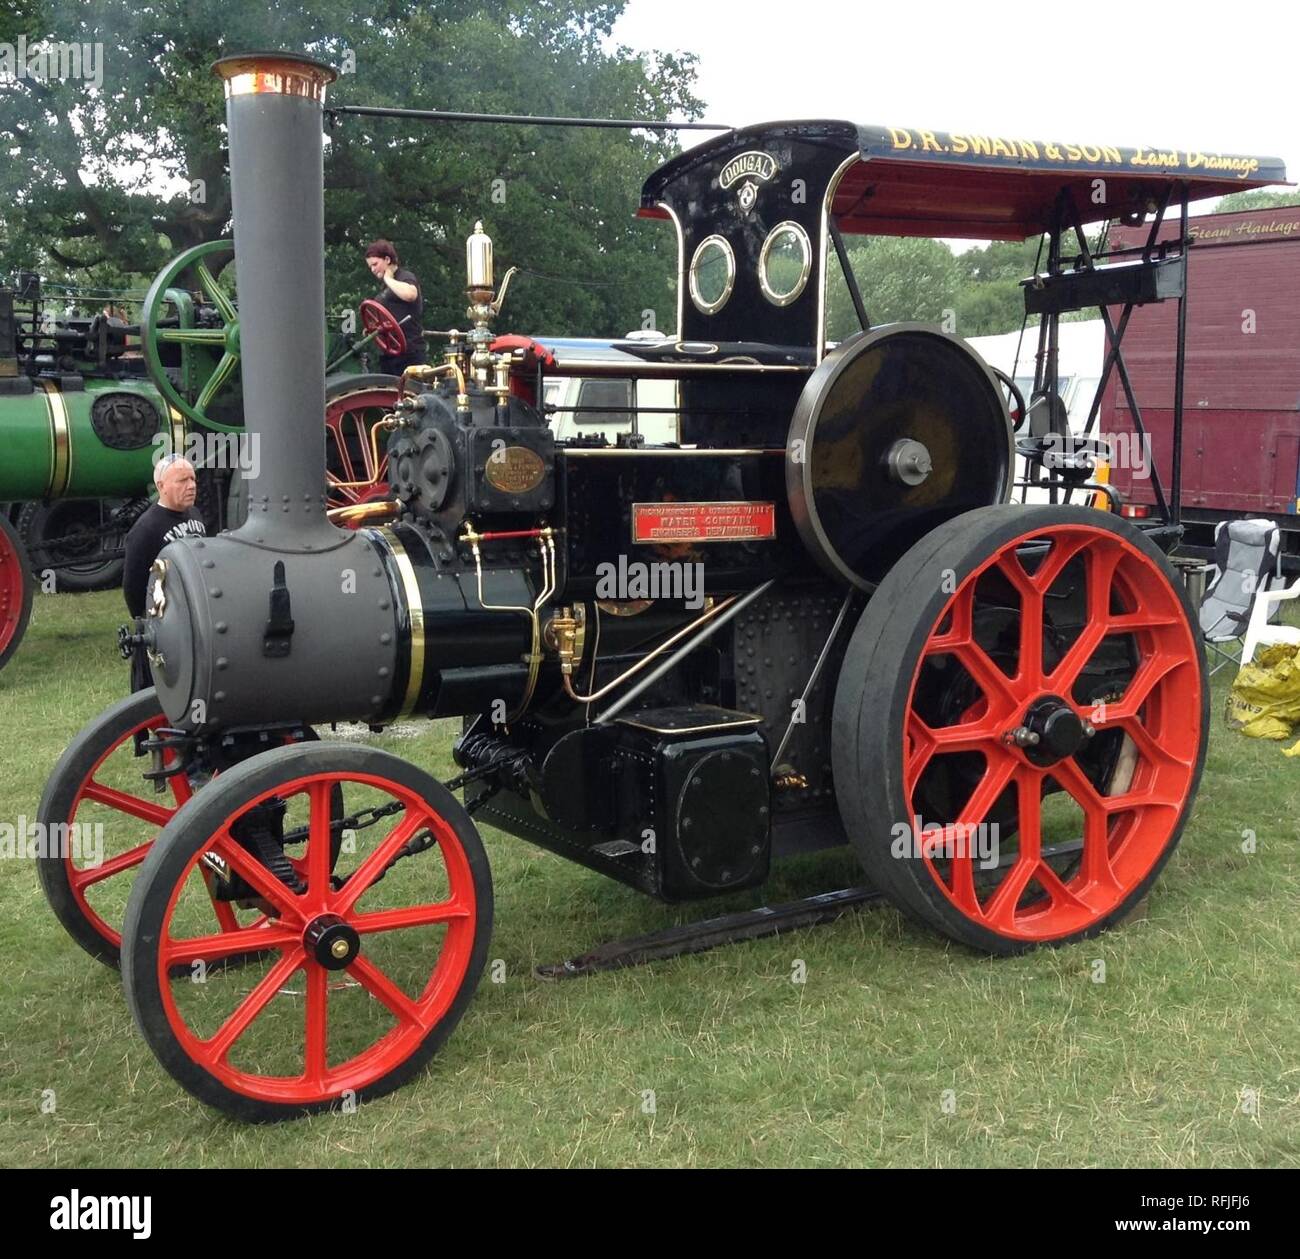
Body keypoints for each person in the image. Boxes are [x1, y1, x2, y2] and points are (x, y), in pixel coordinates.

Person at [122, 454, 206, 691]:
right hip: (164, 622)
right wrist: (150, 621)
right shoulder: (145, 530)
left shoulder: (196, 515)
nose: (191, 486)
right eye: (182, 481)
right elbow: (133, 587)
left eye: (193, 479)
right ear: (161, 486)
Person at [363, 239, 426, 376]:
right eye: (370, 267)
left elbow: (410, 294)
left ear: (387, 259)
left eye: (375, 264)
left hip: (409, 354)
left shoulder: (405, 277)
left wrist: (388, 279)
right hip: (389, 354)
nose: (373, 270)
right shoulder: (384, 289)